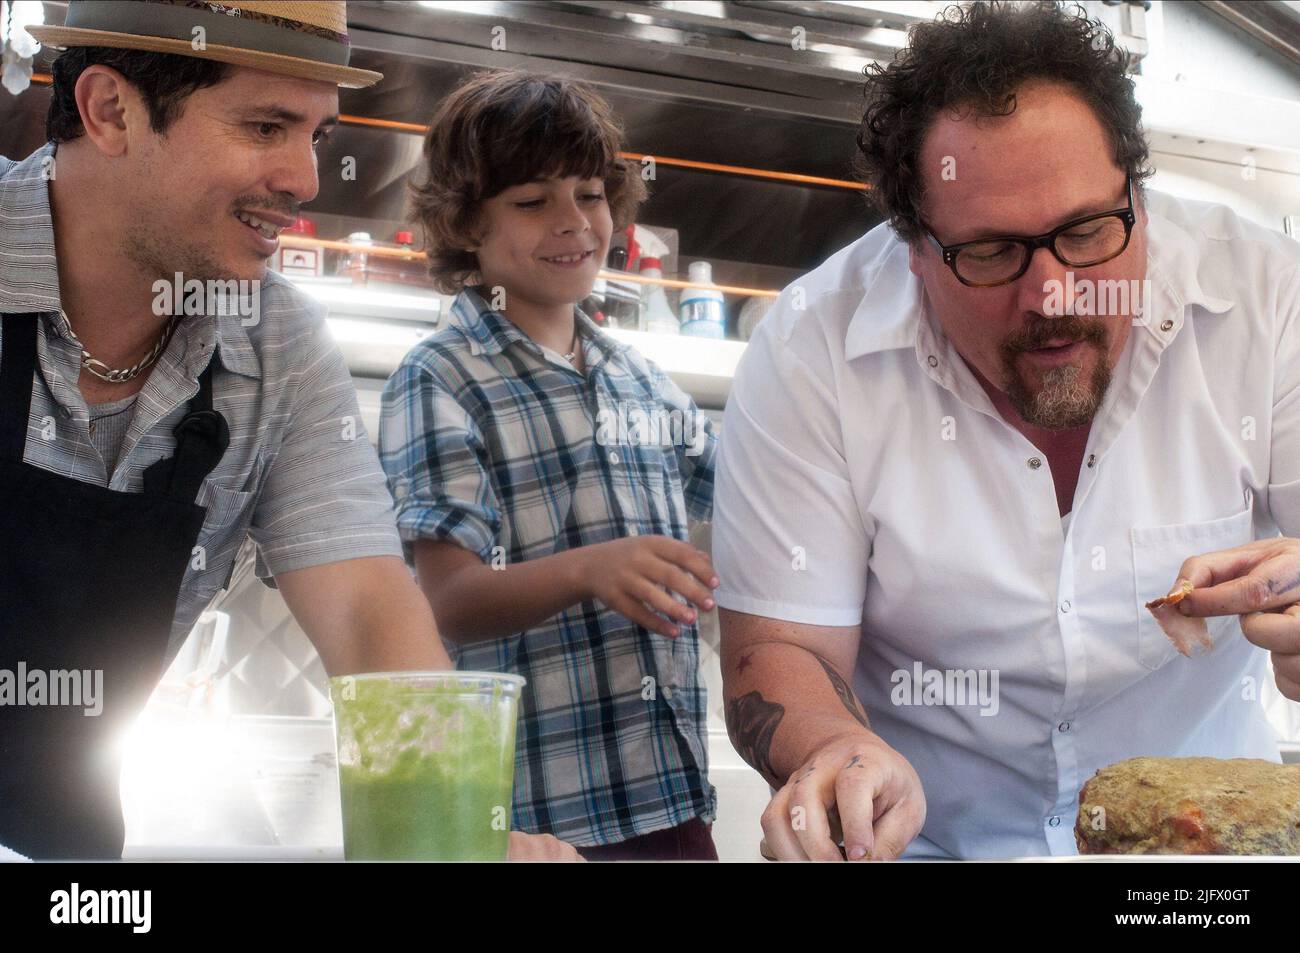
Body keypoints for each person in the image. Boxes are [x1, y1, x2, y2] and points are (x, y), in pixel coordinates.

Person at [712, 1, 1300, 861]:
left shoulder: (1269, 302)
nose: (1055, 295)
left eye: (1087, 231)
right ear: (913, 248)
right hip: (932, 847)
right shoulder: (813, 349)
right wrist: (836, 751)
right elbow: (780, 647)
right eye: (990, 253)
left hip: (1196, 868)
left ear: (1137, 194)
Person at [3, 0, 574, 862]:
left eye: (314, 134)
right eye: (265, 125)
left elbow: (366, 607)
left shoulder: (278, 346)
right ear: (110, 110)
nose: (305, 179)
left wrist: (455, 837)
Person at [379, 70, 723, 860]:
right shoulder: (442, 375)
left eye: (591, 194)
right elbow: (449, 603)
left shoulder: (642, 378)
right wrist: (591, 569)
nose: (574, 222)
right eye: (532, 202)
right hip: (539, 823)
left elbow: (758, 504)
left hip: (671, 801)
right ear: (466, 222)